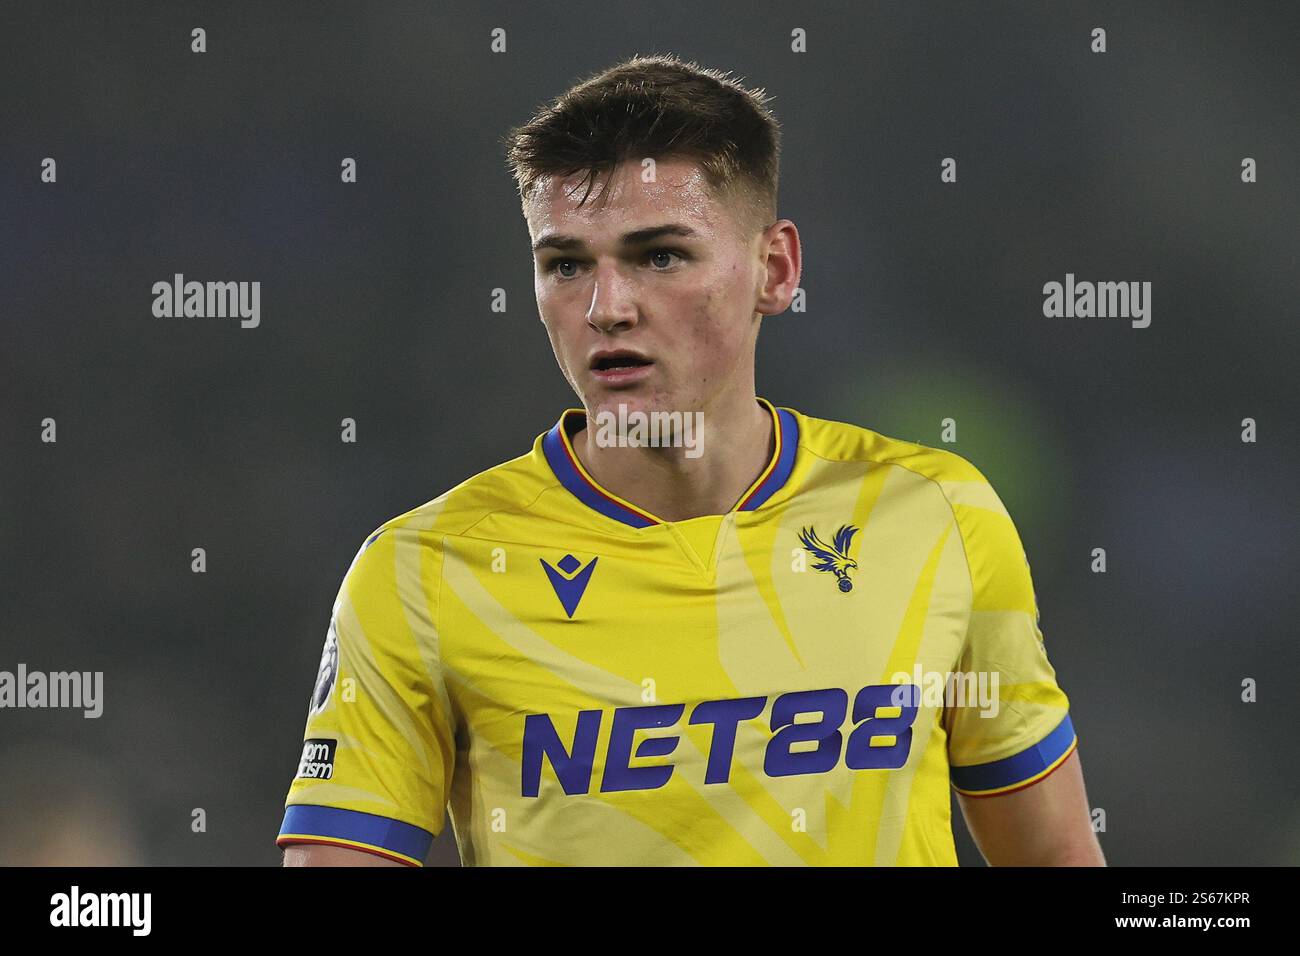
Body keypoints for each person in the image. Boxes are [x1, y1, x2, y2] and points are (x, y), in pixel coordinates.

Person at [278, 53, 1103, 867]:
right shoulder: (420, 575)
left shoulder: (937, 516)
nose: (606, 308)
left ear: (773, 271)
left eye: (659, 256)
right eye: (565, 264)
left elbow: (1057, 856)